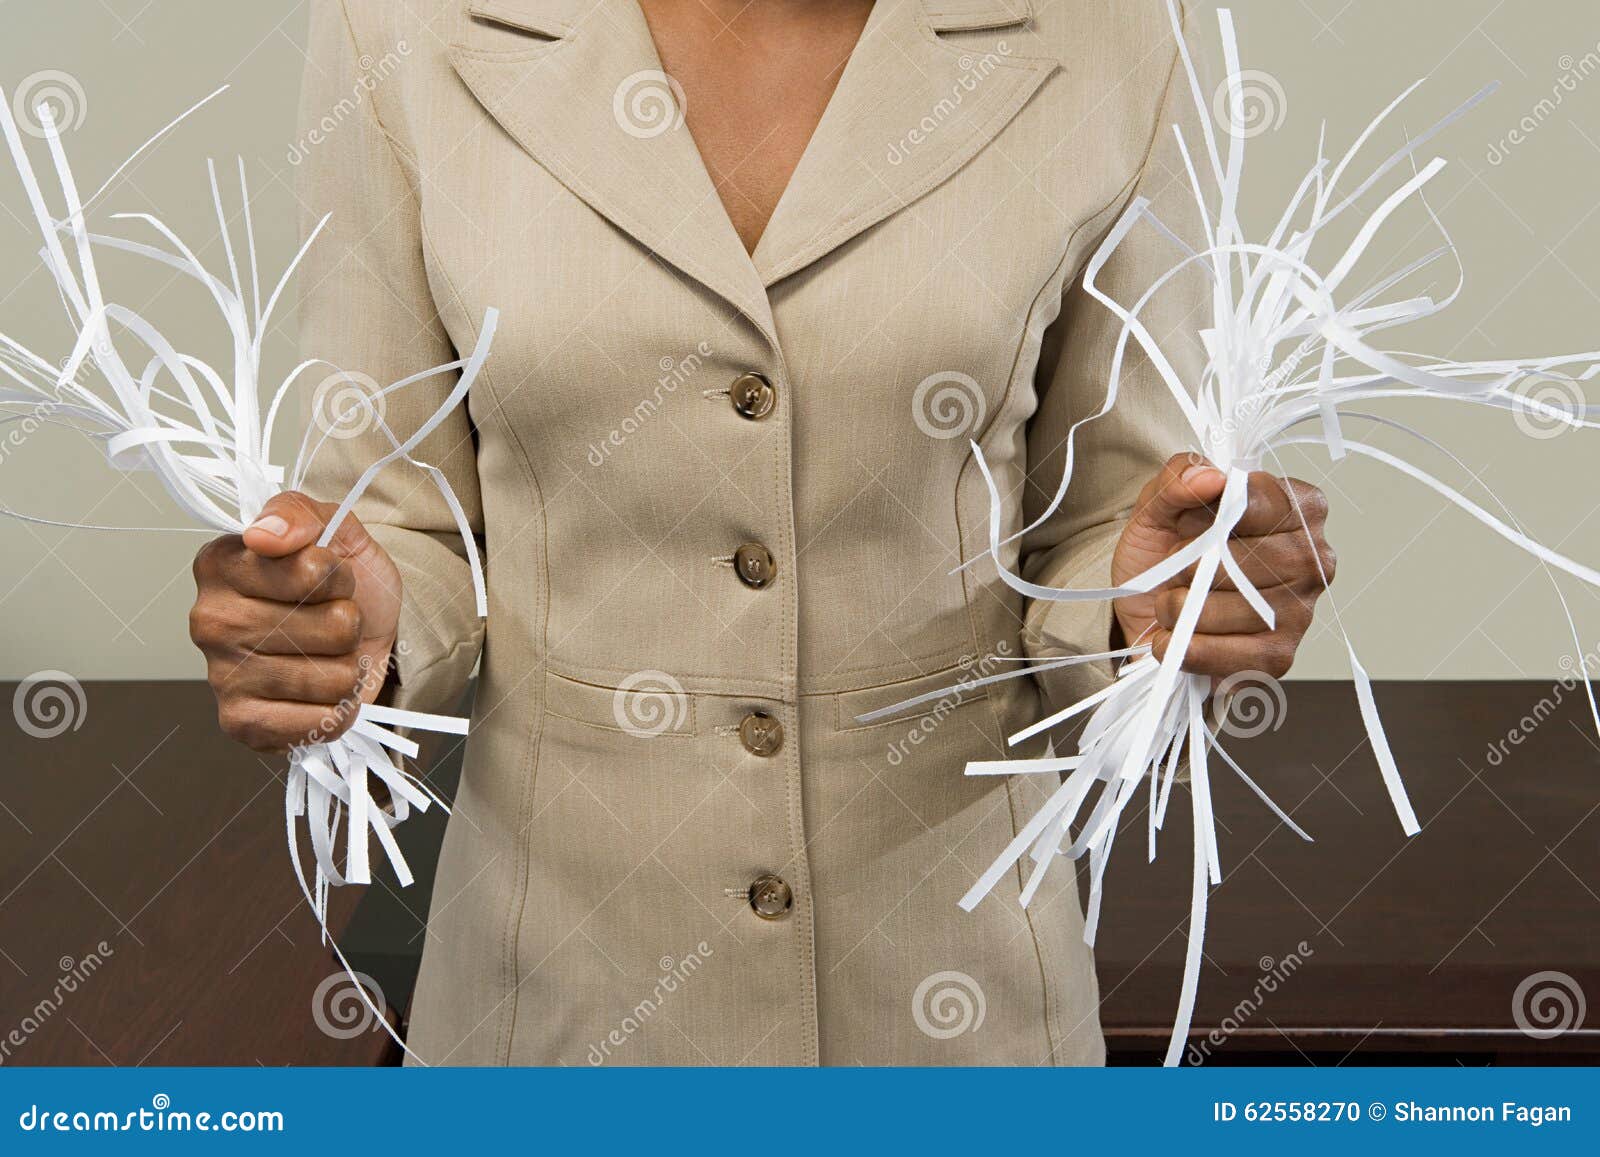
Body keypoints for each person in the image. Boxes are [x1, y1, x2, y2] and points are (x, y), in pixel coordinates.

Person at [187, 0, 1334, 1065]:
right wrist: (348, 628)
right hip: (556, 1007)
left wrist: (1155, 601)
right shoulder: (397, 29)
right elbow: (398, 516)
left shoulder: (1114, 33)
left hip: (952, 1005)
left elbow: (1102, 516)